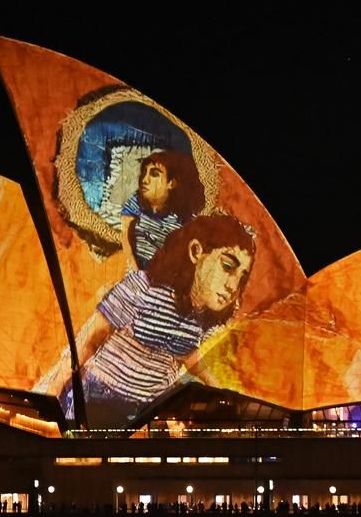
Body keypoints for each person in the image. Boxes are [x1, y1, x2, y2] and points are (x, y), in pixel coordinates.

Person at [45, 214, 256, 429]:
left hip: (143, 414)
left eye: (242, 277)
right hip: (98, 400)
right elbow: (88, 341)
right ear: (196, 251)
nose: (233, 286)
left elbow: (187, 355)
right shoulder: (142, 288)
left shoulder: (202, 320)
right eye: (228, 266)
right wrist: (51, 393)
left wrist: (219, 389)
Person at [119, 150, 205, 272]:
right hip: (135, 271)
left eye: (154, 174)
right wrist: (136, 272)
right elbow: (125, 236)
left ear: (171, 183)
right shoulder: (136, 202)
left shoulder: (184, 217)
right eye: (144, 172)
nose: (144, 180)